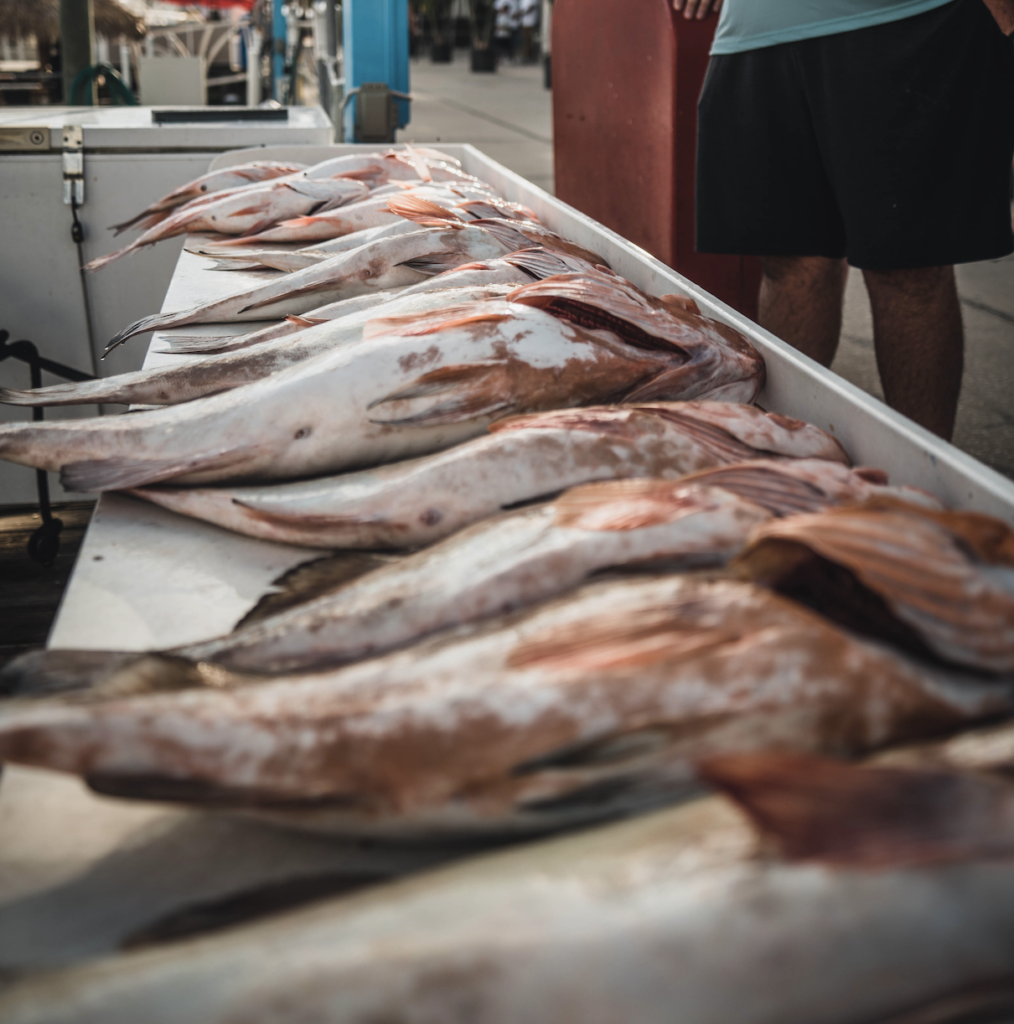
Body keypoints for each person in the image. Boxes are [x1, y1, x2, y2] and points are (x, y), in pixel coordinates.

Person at [676, 0, 1014, 440]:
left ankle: (927, 485)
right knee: (790, 263)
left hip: (907, 19)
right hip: (758, 26)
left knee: (907, 270)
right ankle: (794, 465)